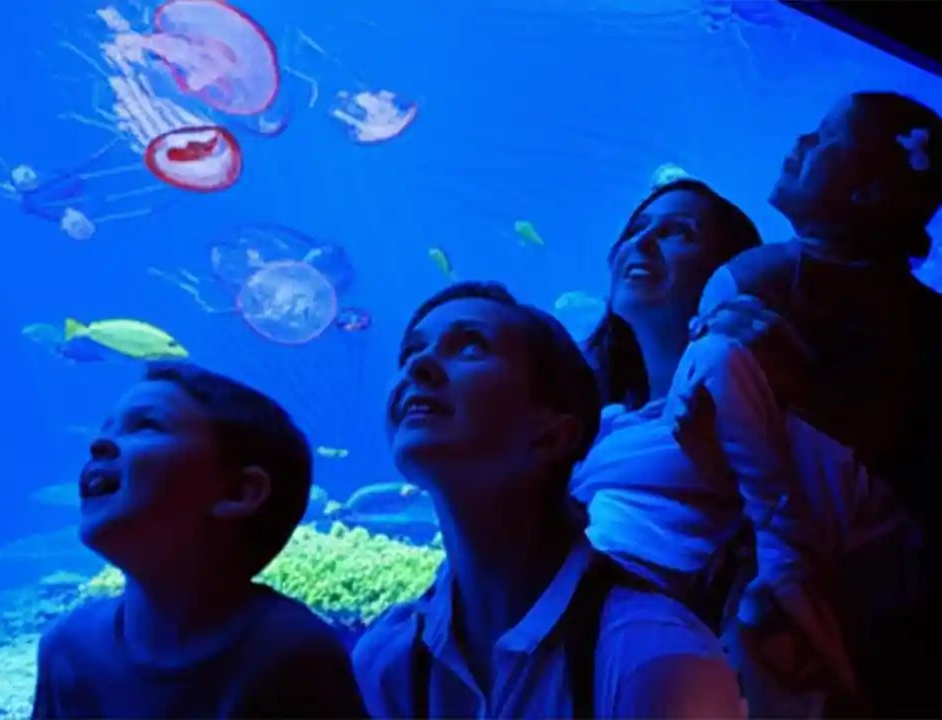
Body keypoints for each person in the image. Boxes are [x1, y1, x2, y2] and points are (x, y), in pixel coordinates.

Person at [353, 281, 744, 718]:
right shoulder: (387, 661)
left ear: (555, 435)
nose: (419, 365)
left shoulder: (658, 661)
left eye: (470, 347)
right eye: (410, 352)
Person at [577, 179, 868, 715]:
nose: (642, 243)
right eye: (638, 228)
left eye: (676, 233)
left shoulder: (778, 416)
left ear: (727, 276)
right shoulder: (606, 425)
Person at [694, 91, 942, 717]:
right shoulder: (752, 277)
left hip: (885, 633)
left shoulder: (926, 330)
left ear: (868, 192)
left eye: (826, 137)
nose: (801, 141)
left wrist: (805, 387)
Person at [31, 362, 368, 719]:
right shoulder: (67, 647)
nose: (98, 444)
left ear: (238, 492)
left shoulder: (292, 655)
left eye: (146, 425)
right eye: (106, 429)